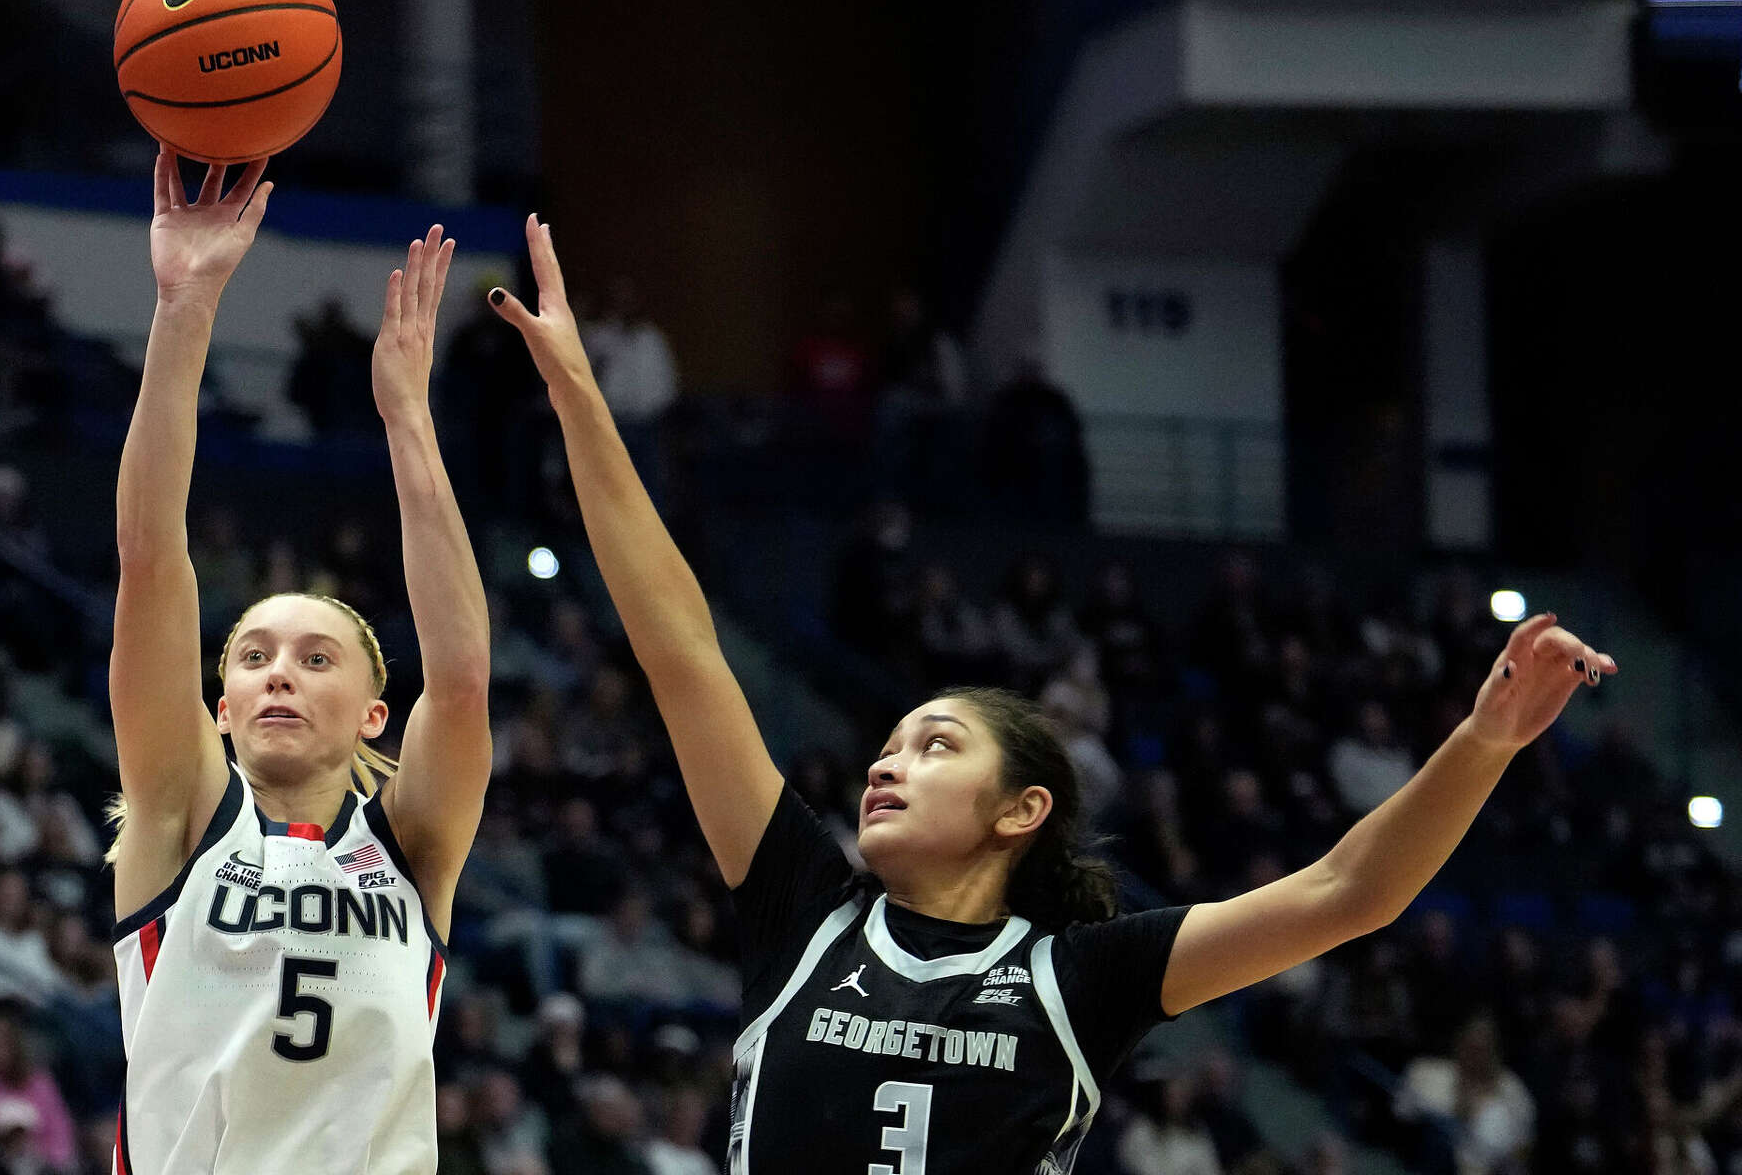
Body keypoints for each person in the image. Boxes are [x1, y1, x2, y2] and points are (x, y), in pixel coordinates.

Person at [486, 214, 1620, 1174]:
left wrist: (1481, 742)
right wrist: (584, 400)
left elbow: (1346, 889)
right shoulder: (804, 911)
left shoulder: (1078, 979)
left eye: (933, 746)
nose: (884, 762)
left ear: (1020, 806)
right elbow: (682, 651)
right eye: (889, 744)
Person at [104, 149, 493, 1171]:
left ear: (375, 712)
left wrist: (409, 419)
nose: (279, 671)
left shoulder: (415, 843)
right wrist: (185, 307)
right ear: (219, 702)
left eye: (318, 656)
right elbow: (150, 560)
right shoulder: (177, 810)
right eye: (254, 654)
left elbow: (458, 677)